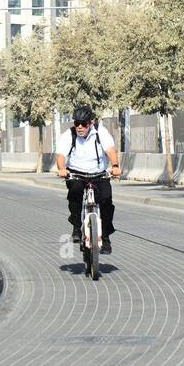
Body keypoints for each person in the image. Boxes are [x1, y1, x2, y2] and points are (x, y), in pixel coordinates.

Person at [56, 105, 121, 255]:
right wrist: (62, 169)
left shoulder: (100, 132)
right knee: (75, 191)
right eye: (77, 123)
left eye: (83, 124)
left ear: (90, 123)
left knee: (106, 200)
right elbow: (61, 156)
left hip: (98, 173)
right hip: (76, 173)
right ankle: (77, 227)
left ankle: (105, 238)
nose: (79, 127)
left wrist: (115, 166)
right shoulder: (69, 134)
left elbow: (110, 150)